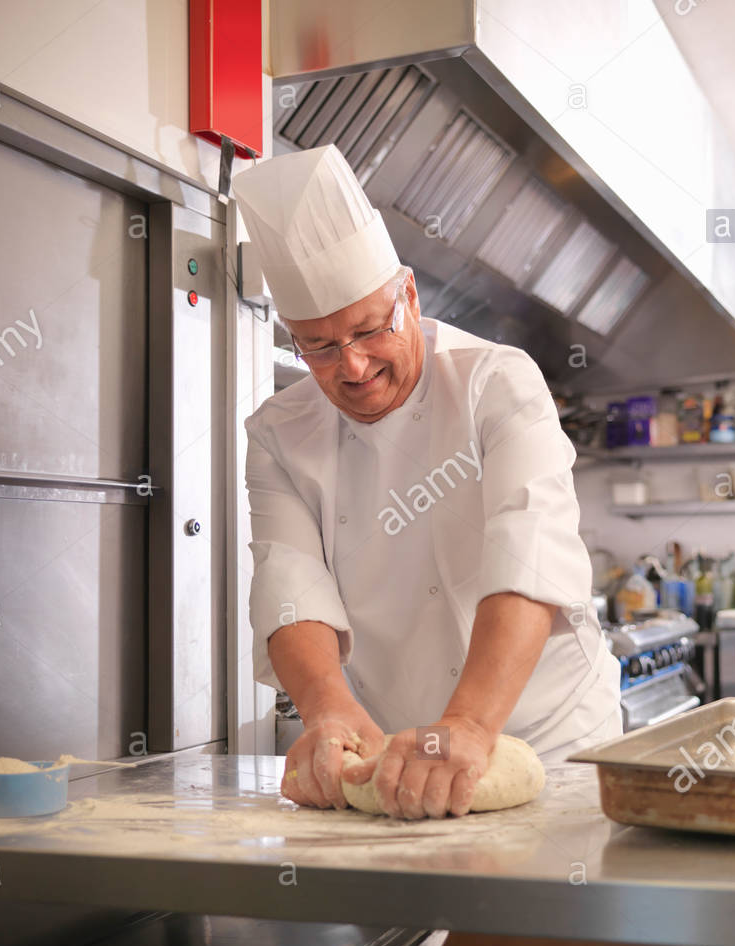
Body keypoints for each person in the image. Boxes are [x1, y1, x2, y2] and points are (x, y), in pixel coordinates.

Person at [232, 145, 622, 821]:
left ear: (408, 295)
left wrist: (470, 723)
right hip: (398, 753)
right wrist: (330, 710)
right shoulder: (276, 432)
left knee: (552, 919)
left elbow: (526, 553)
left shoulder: (497, 382)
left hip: (546, 737)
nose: (351, 366)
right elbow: (288, 584)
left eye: (367, 329)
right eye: (319, 347)